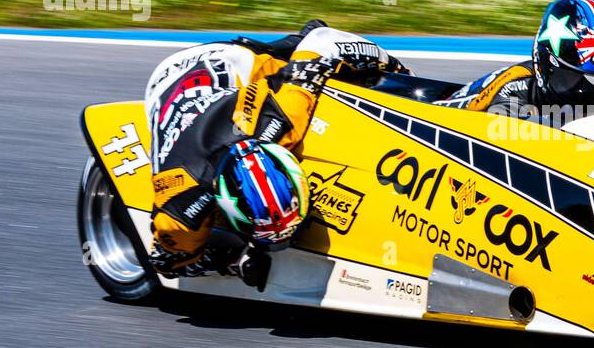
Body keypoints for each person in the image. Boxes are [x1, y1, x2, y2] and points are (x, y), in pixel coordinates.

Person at [143, 20, 406, 282]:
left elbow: (322, 39)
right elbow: (164, 263)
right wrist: (230, 258)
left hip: (232, 64)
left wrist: (401, 75)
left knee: (330, 66)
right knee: (182, 255)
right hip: (168, 80)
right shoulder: (180, 210)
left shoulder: (280, 120)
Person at [434, 0, 594, 120]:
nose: (592, 99)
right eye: (574, 82)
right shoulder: (512, 92)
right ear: (545, 66)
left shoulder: (589, 106)